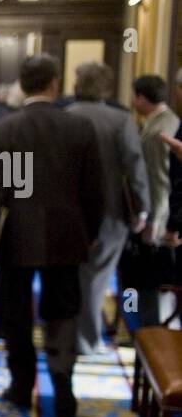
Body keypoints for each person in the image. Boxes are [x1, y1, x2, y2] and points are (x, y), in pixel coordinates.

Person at [0, 54, 103, 417]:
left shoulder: (5, 128)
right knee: (63, 311)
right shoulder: (79, 127)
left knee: (16, 314)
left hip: (17, 236)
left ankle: (20, 386)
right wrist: (91, 233)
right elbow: (94, 191)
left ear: (22, 83)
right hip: (68, 235)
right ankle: (62, 377)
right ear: (54, 83)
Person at [65, 62, 148, 354]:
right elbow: (135, 167)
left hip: (67, 212)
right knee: (98, 277)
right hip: (110, 212)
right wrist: (142, 209)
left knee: (74, 276)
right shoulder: (120, 120)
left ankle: (72, 334)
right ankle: (86, 340)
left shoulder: (65, 117)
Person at [126, 75, 179, 327]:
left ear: (142, 97)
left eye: (134, 96)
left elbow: (160, 181)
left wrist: (153, 220)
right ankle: (138, 324)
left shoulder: (161, 128)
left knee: (146, 282)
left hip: (158, 216)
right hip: (156, 213)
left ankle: (145, 330)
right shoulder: (158, 122)